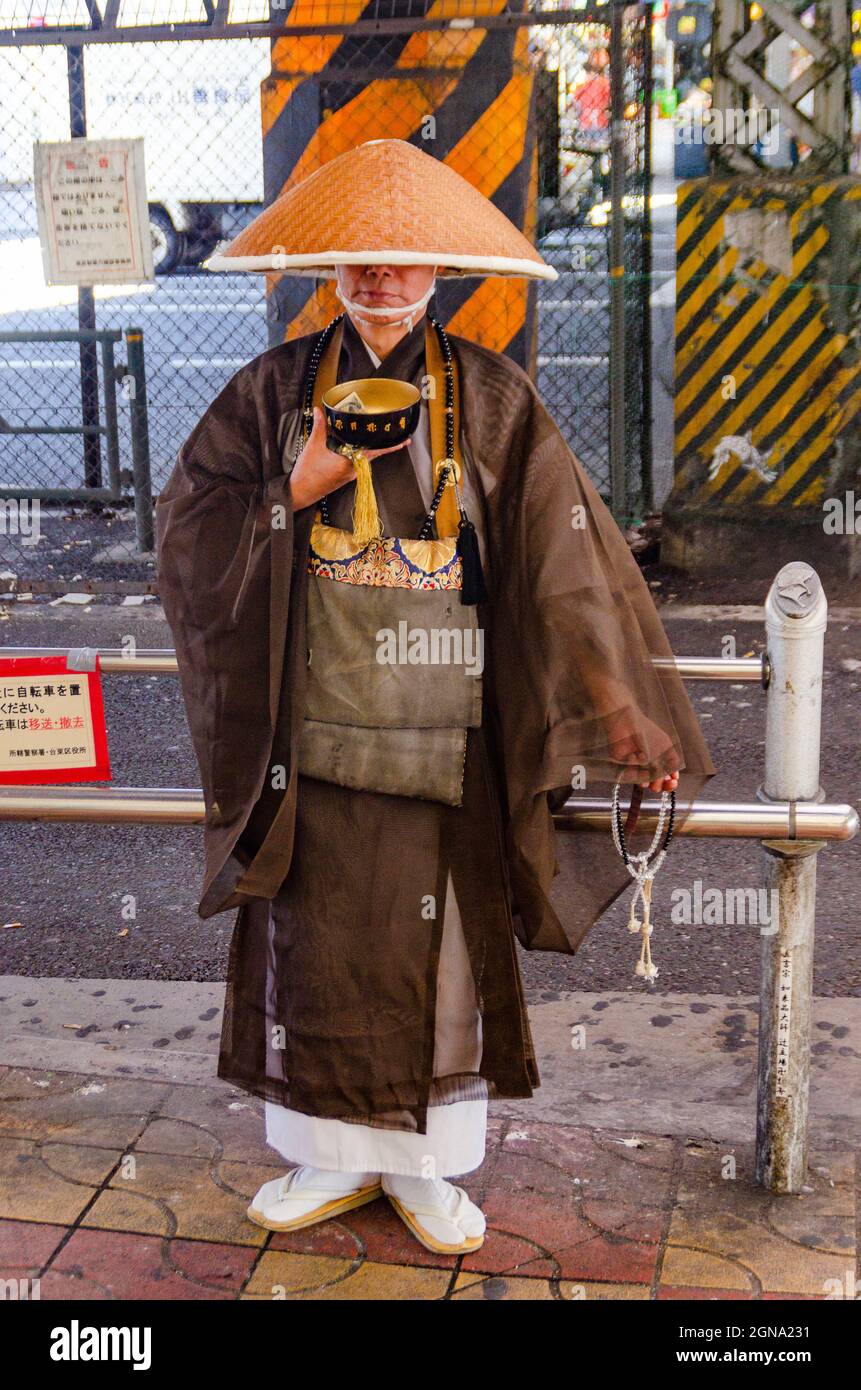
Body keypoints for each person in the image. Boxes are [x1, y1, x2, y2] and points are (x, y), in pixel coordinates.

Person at [156, 139, 714, 1256]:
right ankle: (325, 1154)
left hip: (445, 728)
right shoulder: (270, 393)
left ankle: (424, 1168)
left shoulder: (496, 403)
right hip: (309, 725)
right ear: (331, 269)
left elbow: (565, 570)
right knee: (314, 938)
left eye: (404, 263)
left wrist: (618, 710)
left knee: (441, 939)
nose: (381, 284)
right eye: (360, 262)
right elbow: (186, 532)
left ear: (440, 273)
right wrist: (290, 492)